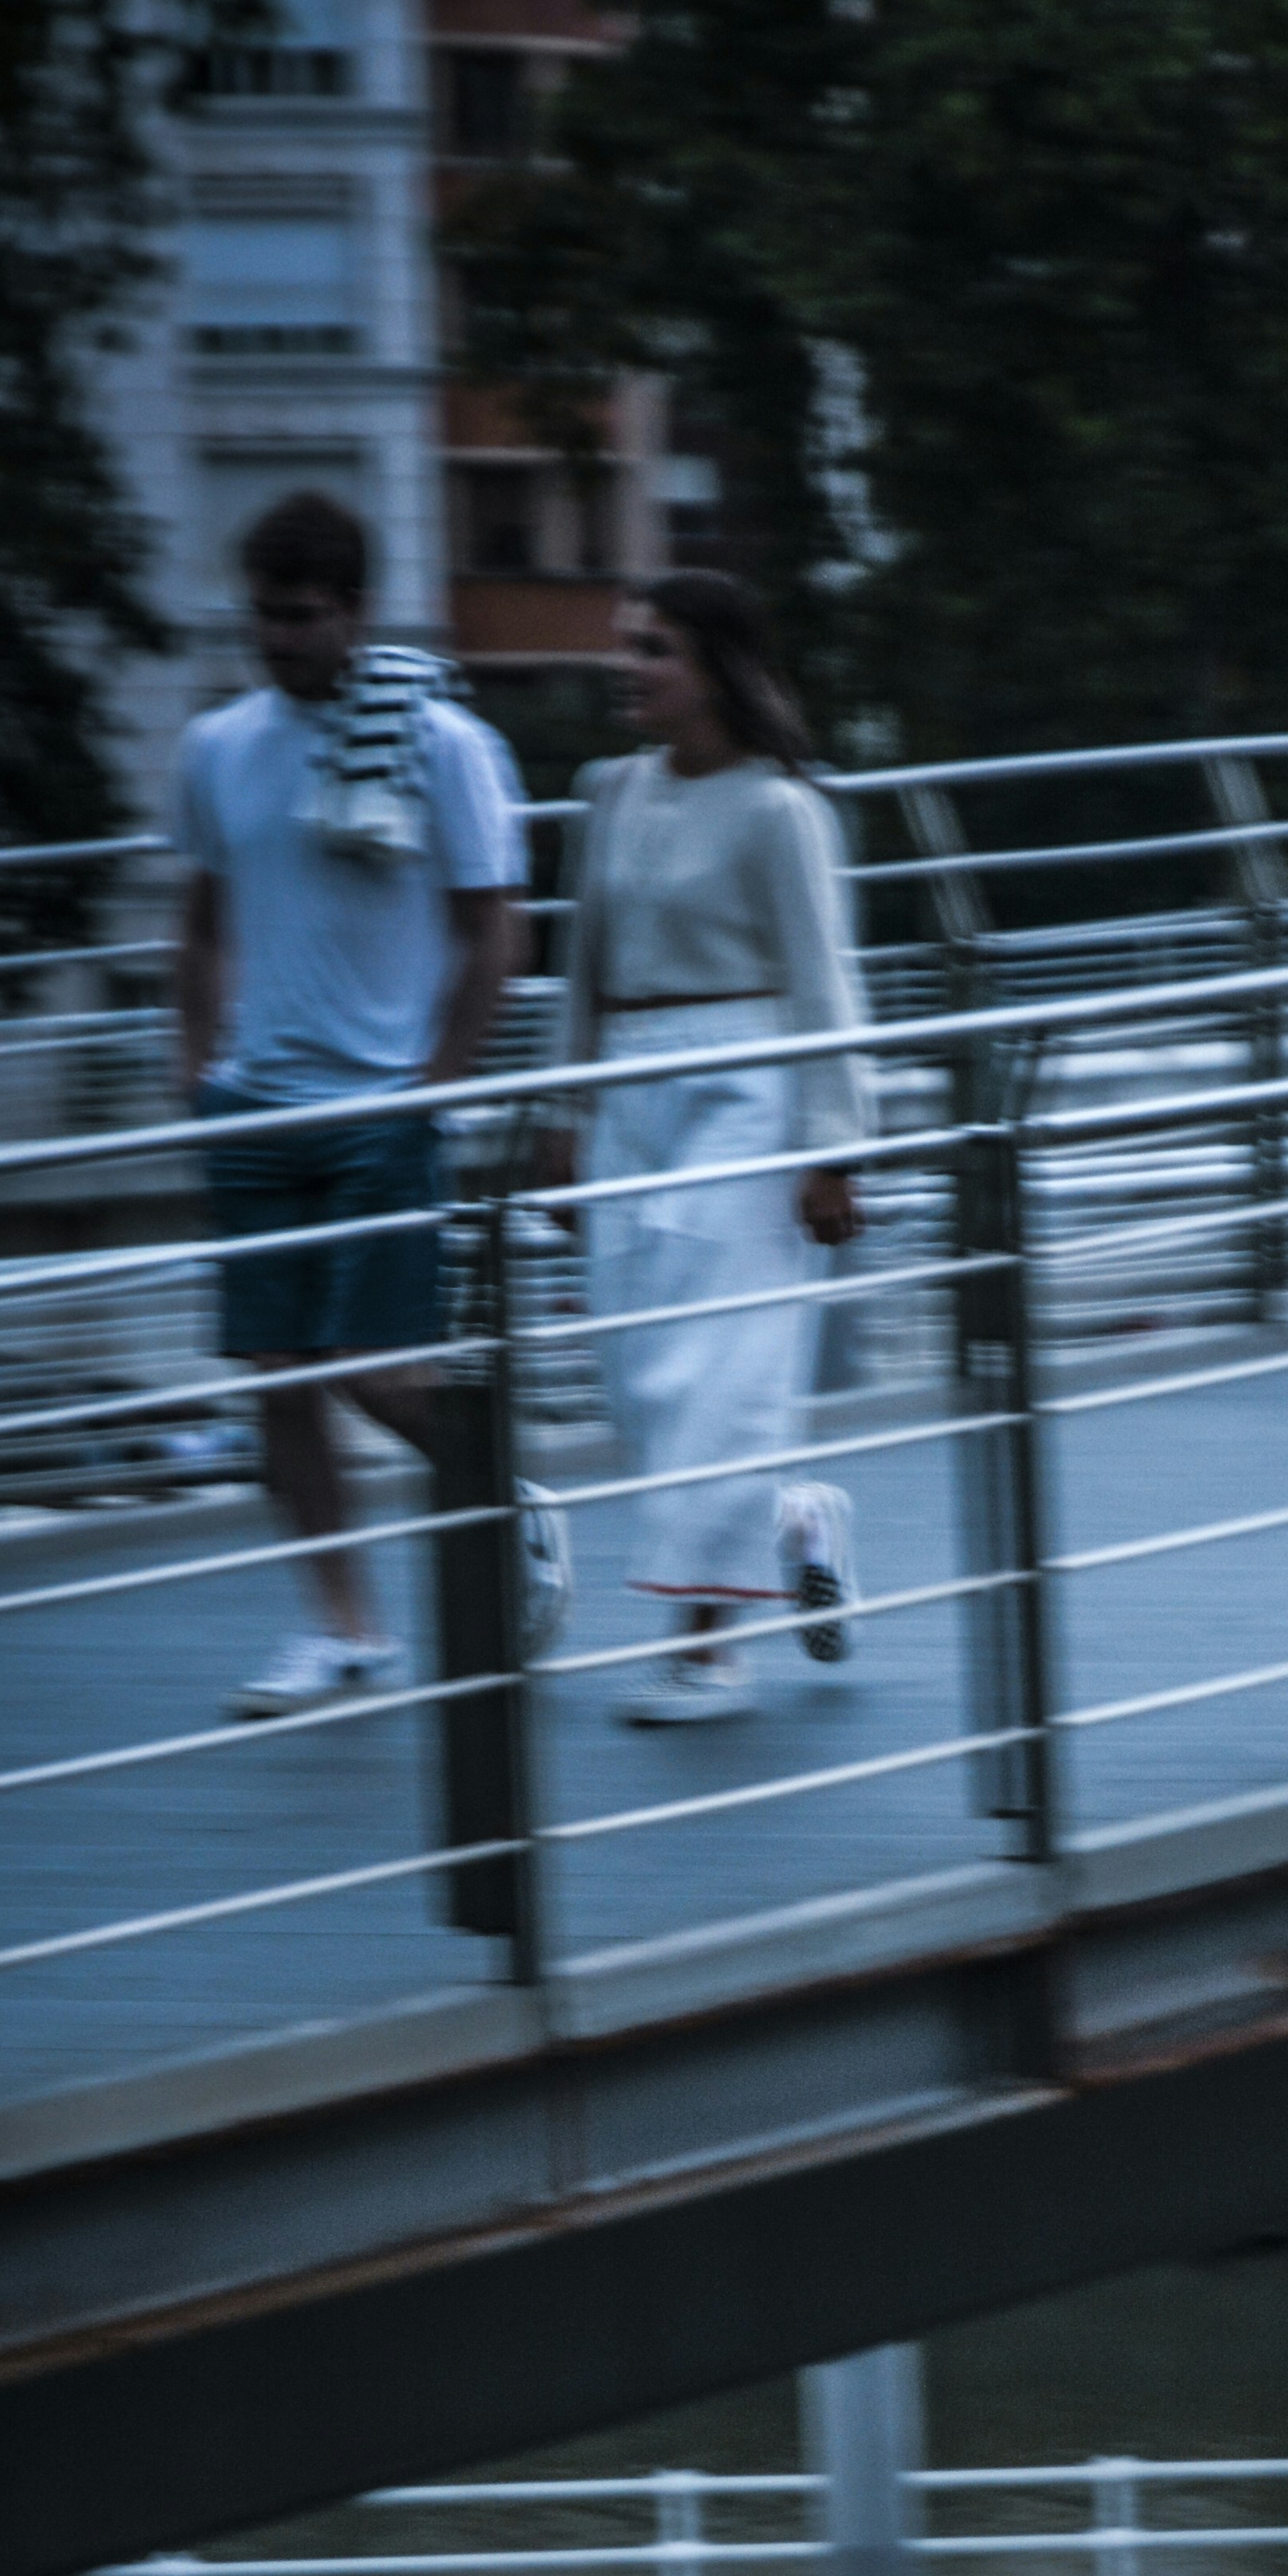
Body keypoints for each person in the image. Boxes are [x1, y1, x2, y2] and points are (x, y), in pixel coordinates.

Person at [173, 491, 525, 1716]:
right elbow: (205, 921)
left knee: (376, 1371)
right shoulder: (217, 746)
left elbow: (494, 932)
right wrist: (197, 1067)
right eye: (263, 616)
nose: (277, 638)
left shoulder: (440, 744)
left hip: (382, 1103)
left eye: (302, 617)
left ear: (358, 612)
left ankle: (516, 1501)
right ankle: (343, 1629)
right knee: (277, 1379)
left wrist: (437, 1085)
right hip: (255, 1112)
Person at [545, 572, 868, 1727]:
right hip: (627, 1086)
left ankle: (706, 1652)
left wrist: (835, 1150)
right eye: (627, 646)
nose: (628, 667)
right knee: (639, 1372)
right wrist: (559, 1114)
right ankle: (795, 1522)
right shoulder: (608, 793)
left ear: (717, 667)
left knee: (718, 1371)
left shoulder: (782, 811)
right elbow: (578, 961)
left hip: (745, 1085)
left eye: (656, 649)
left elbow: (830, 988)